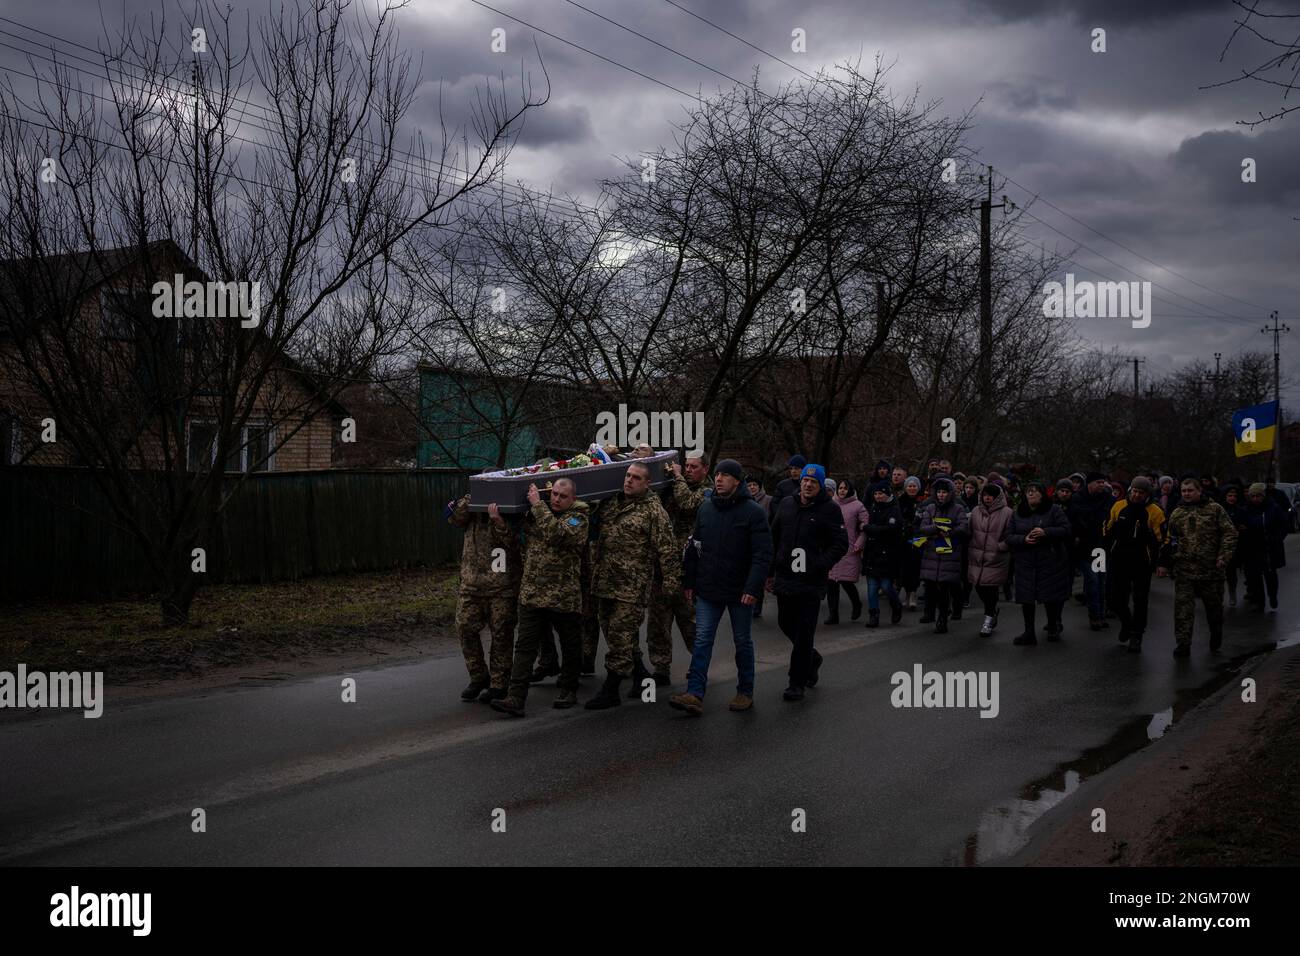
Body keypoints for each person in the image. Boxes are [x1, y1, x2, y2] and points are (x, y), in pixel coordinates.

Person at [669, 459, 773, 716]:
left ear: (737, 481)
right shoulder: (706, 509)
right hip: (709, 588)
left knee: (742, 641)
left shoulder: (753, 512)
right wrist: (690, 581)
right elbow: (695, 547)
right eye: (717, 475)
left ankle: (745, 691)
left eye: (725, 475)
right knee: (702, 639)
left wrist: (753, 588)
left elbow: (762, 555)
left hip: (740, 591)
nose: (718, 479)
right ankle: (694, 693)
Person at [585, 462, 680, 709]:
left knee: (620, 635)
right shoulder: (610, 503)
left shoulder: (653, 511)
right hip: (605, 582)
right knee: (615, 634)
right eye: (628, 475)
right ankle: (641, 678)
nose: (629, 480)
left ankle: (611, 690)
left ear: (647, 484)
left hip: (631, 587)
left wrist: (671, 584)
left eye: (636, 478)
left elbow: (668, 549)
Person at [491, 480, 590, 716]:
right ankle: (516, 697)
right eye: (554, 494)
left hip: (562, 595)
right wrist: (499, 523)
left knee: (570, 644)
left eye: (563, 496)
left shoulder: (578, 519)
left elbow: (558, 534)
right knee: (525, 646)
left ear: (573, 499)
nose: (556, 499)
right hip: (532, 593)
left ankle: (568, 689)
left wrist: (537, 505)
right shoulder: (537, 514)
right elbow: (515, 542)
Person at [767, 463, 848, 701]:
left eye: (813, 482)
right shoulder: (787, 504)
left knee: (804, 632)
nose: (808, 485)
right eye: (805, 480)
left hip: (811, 581)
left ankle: (797, 682)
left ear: (820, 485)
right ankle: (812, 657)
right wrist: (769, 571)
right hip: (786, 576)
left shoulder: (830, 509)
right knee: (785, 622)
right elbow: (773, 537)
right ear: (800, 482)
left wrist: (820, 563)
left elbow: (840, 543)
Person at [446, 494, 522, 702]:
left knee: (501, 635)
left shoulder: (511, 506)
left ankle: (499, 684)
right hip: (472, 584)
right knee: (464, 628)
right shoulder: (471, 506)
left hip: (502, 586)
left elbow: (516, 543)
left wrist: (498, 520)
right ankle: (479, 676)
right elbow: (454, 519)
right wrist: (472, 497)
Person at [646, 456, 710, 687]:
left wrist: (678, 477)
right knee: (658, 622)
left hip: (687, 570)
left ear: (705, 469)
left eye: (694, 467)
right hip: (662, 566)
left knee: (690, 622)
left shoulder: (708, 491)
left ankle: (699, 665)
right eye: (687, 466)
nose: (689, 470)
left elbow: (688, 504)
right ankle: (660, 666)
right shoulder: (673, 486)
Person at [1156, 477, 1238, 658]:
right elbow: (1170, 540)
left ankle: (1216, 633)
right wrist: (1163, 563)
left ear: (1199, 491)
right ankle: (1183, 644)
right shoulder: (1177, 513)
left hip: (1211, 570)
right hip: (1184, 570)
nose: (1186, 494)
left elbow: (1230, 533)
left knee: (1214, 609)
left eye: (1190, 490)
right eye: (1184, 491)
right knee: (1183, 611)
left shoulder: (1215, 509)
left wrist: (1223, 556)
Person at [1005, 480, 1073, 645]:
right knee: (1027, 598)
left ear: (1042, 495)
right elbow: (1008, 536)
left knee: (1050, 596)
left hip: (1050, 560)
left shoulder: (1053, 510)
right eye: (1028, 491)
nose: (1030, 493)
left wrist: (1046, 532)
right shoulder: (1018, 513)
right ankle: (1029, 633)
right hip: (1025, 562)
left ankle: (1053, 626)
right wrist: (1024, 539)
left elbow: (1066, 530)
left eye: (1034, 491)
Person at [1102, 476, 1166, 654]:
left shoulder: (1155, 511)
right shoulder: (1119, 506)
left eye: (1141, 493)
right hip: (1119, 559)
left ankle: (1137, 634)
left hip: (1142, 562)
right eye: (1135, 491)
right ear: (1130, 490)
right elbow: (1106, 528)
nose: (1137, 495)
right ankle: (1127, 623)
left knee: (1140, 599)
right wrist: (1107, 545)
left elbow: (1163, 538)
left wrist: (1160, 561)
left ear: (1147, 494)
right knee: (1115, 599)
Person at [916, 476, 970, 633]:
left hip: (949, 549)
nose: (941, 495)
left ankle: (943, 618)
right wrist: (936, 528)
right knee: (930, 585)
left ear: (950, 493)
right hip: (932, 550)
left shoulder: (958, 508)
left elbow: (963, 528)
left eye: (944, 492)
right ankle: (930, 613)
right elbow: (923, 527)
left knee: (945, 587)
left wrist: (950, 531)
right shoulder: (930, 508)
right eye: (939, 492)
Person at [967, 481, 1012, 636]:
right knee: (979, 586)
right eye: (985, 495)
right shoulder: (975, 511)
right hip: (977, 556)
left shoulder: (1007, 513)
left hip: (996, 558)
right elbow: (969, 531)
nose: (987, 498)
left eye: (991, 496)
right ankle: (992, 611)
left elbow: (1011, 534)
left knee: (991, 588)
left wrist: (1001, 546)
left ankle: (988, 619)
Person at [1071, 472, 1112, 630]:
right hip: (1083, 547)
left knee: (1100, 581)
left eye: (1103, 482)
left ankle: (1101, 614)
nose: (1102, 485)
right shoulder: (1078, 498)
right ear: (1090, 483)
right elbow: (1080, 519)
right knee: (1092, 580)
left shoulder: (1107, 497)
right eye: (1099, 482)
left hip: (1099, 546)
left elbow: (1107, 517)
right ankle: (1094, 616)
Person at [826, 478, 868, 624]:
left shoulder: (858, 506)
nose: (842, 490)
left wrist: (860, 543)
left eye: (845, 488)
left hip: (850, 548)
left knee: (846, 581)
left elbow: (865, 526)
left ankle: (856, 604)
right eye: (840, 488)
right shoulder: (830, 503)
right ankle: (833, 615)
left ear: (850, 490)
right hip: (831, 547)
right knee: (831, 582)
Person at [1239, 482, 1288, 611]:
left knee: (1270, 574)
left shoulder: (1274, 508)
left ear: (1263, 496)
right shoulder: (1245, 510)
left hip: (1269, 547)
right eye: (1253, 496)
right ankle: (1259, 602)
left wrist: (1277, 539)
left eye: (1258, 496)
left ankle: (1273, 596)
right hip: (1253, 547)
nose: (1255, 499)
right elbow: (1241, 526)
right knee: (1255, 575)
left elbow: (1284, 525)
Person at [862, 480, 905, 626]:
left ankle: (896, 605)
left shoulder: (894, 510)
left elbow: (890, 530)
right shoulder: (873, 508)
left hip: (888, 554)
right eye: (875, 494)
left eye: (880, 493)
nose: (878, 496)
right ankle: (873, 615)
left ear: (887, 494)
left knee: (886, 586)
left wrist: (869, 528)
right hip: (872, 553)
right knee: (872, 587)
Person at [898, 475, 924, 609]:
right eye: (909, 486)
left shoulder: (923, 501)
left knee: (915, 565)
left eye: (914, 486)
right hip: (904, 537)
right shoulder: (900, 501)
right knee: (905, 566)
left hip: (919, 537)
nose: (912, 488)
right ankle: (907, 594)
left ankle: (913, 593)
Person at [1220, 484, 1245, 607]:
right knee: (1218, 573)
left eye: (1235, 496)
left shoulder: (1240, 510)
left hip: (1234, 546)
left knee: (1231, 572)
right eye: (1230, 495)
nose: (1232, 498)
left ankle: (1232, 592)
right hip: (1219, 546)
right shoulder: (1219, 510)